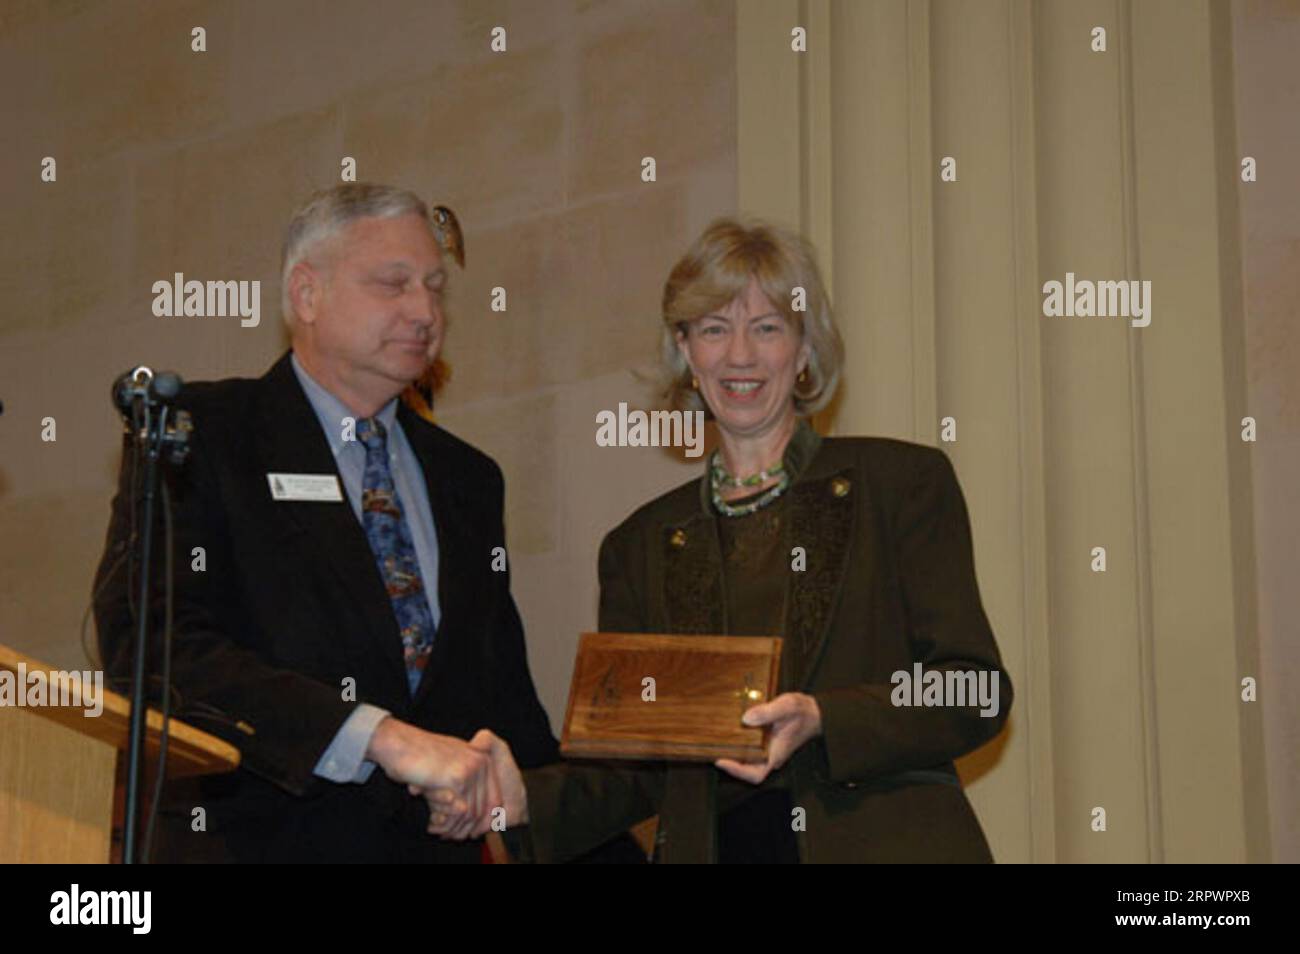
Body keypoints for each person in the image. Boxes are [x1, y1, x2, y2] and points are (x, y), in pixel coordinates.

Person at [436, 216, 1014, 863]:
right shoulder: (638, 546)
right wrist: (523, 799)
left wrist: (825, 718)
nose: (740, 355)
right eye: (714, 329)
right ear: (685, 351)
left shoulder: (900, 484)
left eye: (767, 327)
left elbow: (973, 690)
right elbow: (637, 765)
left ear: (803, 350)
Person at [93, 183, 558, 862]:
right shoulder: (204, 435)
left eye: (434, 287)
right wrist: (377, 736)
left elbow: (507, 704)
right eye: (393, 283)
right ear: (306, 295)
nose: (424, 310)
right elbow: (158, 650)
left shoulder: (469, 478)